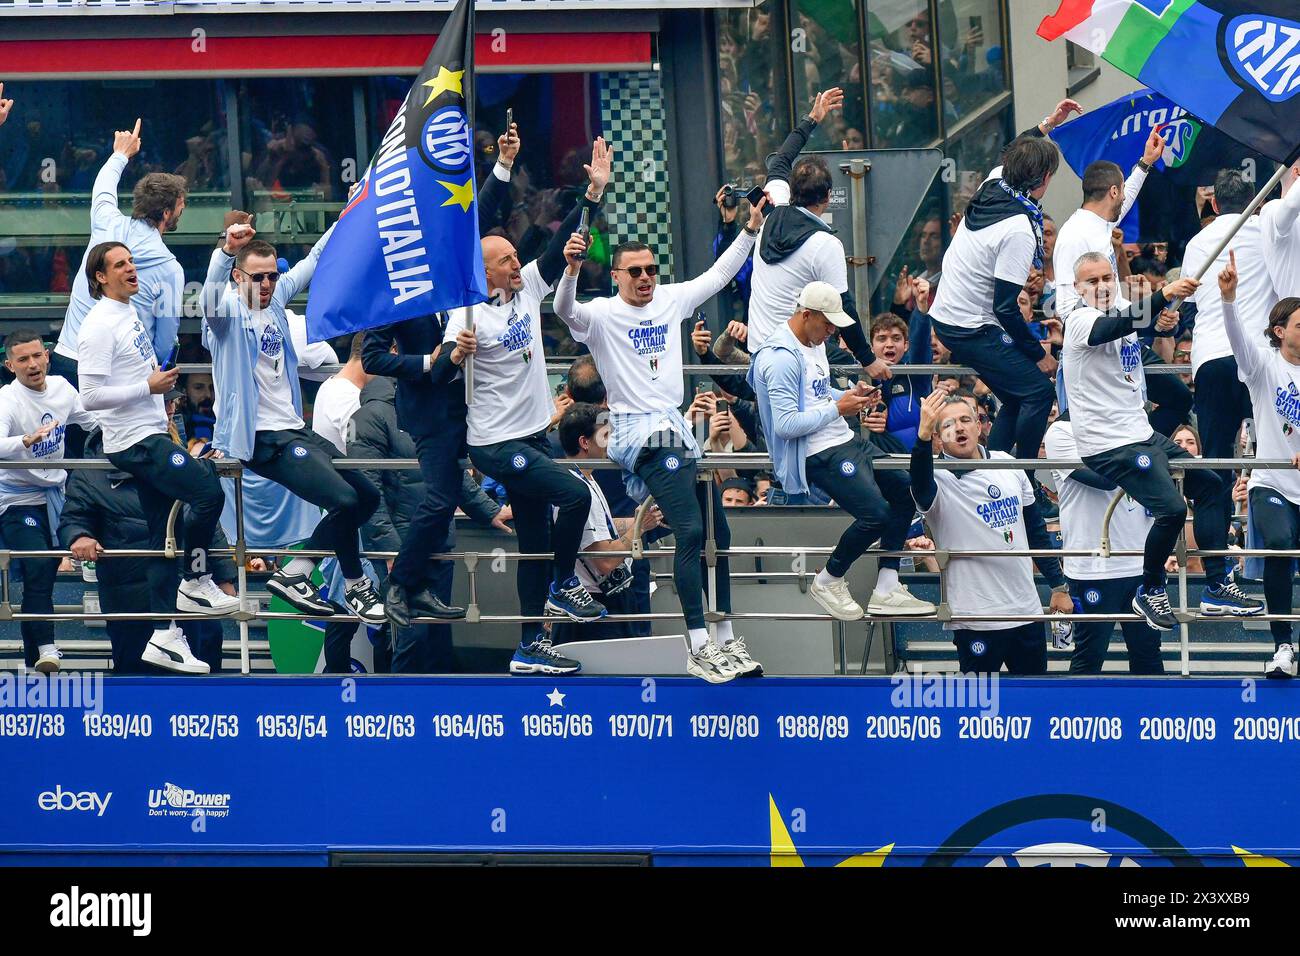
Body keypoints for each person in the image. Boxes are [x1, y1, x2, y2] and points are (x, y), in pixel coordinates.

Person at [552, 200, 767, 684]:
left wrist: (751, 230)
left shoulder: (670, 299)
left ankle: (726, 637)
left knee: (719, 535)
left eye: (650, 269)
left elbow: (718, 275)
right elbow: (564, 309)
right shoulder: (602, 314)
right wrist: (571, 269)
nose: (646, 278)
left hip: (675, 429)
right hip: (638, 432)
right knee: (689, 532)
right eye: (635, 271)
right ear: (617, 277)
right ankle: (699, 645)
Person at [439, 138, 612, 677]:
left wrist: (592, 195)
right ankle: (564, 584)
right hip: (495, 444)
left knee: (535, 543)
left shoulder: (528, 288)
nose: (518, 263)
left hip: (533, 433)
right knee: (574, 494)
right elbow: (442, 363)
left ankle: (529, 645)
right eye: (506, 260)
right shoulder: (468, 312)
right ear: (485, 272)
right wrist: (454, 353)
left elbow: (559, 244)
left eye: (516, 256)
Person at [1061, 251, 1262, 631]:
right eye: (1092, 281)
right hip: (1107, 444)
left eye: (1107, 277)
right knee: (1171, 510)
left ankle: (1217, 584)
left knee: (1210, 484)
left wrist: (1165, 316)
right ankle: (1150, 589)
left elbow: (1140, 322)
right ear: (1077, 288)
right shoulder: (1079, 320)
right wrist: (1164, 294)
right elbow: (1111, 327)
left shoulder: (1122, 312)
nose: (1102, 286)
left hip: (1140, 433)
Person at [203, 222, 385, 625]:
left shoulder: (275, 302)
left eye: (272, 276)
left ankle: (302, 571)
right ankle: (348, 581)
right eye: (257, 277)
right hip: (260, 437)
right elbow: (209, 298)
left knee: (367, 495)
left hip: (293, 428)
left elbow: (315, 259)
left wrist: (350, 211)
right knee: (343, 500)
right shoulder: (227, 314)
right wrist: (225, 250)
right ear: (238, 277)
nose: (267, 284)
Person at [77, 241, 237, 674]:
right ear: (100, 277)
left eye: (131, 261)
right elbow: (89, 396)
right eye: (120, 264)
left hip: (151, 430)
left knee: (162, 541)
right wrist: (146, 388)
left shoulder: (127, 312)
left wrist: (157, 395)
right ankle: (197, 580)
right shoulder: (98, 325)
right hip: (136, 442)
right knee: (208, 491)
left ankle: (164, 634)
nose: (131, 268)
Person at [750, 281, 935, 620]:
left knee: (906, 490)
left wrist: (849, 394)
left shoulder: (814, 341)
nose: (832, 331)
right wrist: (839, 408)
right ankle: (828, 578)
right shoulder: (780, 358)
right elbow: (785, 425)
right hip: (817, 452)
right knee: (876, 515)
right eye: (828, 323)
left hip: (843, 440)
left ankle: (887, 586)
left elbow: (816, 394)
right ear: (806, 315)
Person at [929, 99, 1081, 460]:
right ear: (1044, 180)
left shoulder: (995, 183)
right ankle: (1023, 477)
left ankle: (994, 470)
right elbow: (1005, 308)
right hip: (969, 327)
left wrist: (1048, 124)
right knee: (1039, 393)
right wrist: (1037, 354)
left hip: (952, 315)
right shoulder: (1018, 230)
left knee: (1016, 397)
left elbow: (1016, 148)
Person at [349, 373, 507, 673]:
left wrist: (489, 510)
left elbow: (450, 470)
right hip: (403, 548)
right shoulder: (371, 416)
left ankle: (431, 701)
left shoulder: (424, 408)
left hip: (437, 540)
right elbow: (368, 493)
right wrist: (391, 552)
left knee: (436, 638)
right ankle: (400, 701)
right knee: (412, 638)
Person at [910, 390, 1069, 672]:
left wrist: (1058, 586)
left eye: (965, 420)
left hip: (1025, 612)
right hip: (974, 618)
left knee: (1033, 695)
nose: (959, 428)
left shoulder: (1007, 463)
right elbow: (920, 486)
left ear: (979, 425)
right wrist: (921, 439)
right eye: (947, 425)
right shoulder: (936, 477)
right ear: (938, 437)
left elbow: (1035, 531)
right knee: (980, 699)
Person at [743, 88, 892, 382]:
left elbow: (780, 161)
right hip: (795, 357)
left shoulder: (770, 211)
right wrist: (868, 359)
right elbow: (843, 306)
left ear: (791, 190)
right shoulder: (825, 245)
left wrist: (811, 119)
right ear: (828, 197)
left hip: (759, 353)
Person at [1051, 128, 1191, 438]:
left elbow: (1116, 303)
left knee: (1179, 398)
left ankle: (1140, 448)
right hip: (1093, 353)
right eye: (1122, 190)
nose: (1125, 196)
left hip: (1124, 340)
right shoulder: (1076, 236)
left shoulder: (1100, 223)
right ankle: (1130, 452)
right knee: (1084, 436)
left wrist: (1145, 163)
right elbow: (1066, 307)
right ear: (1113, 191)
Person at [1180, 168, 1278, 559]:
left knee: (1216, 465)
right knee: (1275, 459)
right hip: (1260, 360)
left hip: (1212, 359)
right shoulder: (1268, 233)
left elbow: (1188, 303)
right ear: (1254, 202)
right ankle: (1279, 558)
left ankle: (1216, 573)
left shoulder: (1197, 242)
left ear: (1215, 204)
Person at [56, 120, 186, 385]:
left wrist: (120, 154)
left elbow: (103, 186)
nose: (182, 210)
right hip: (118, 376)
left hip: (68, 359)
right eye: (180, 206)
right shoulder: (170, 268)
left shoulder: (106, 221)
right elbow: (164, 342)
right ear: (166, 213)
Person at [1219, 255, 1300, 678]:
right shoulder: (1263, 366)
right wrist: (1228, 300)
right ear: (1280, 330)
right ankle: (1283, 644)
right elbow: (1238, 341)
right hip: (1272, 482)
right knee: (1280, 544)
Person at [0, 330, 97, 672]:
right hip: (17, 499)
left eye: (37, 356)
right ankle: (46, 647)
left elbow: (92, 421)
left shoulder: (62, 388)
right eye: (23, 359)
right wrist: (25, 441)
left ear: (47, 356)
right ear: (10, 365)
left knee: (45, 572)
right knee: (38, 564)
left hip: (57, 496)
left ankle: (37, 658)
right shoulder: (7, 399)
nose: (32, 364)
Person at [1043, 413, 1161, 674]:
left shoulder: (1131, 422)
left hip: (1141, 563)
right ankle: (1079, 705)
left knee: (1148, 654)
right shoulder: (1061, 431)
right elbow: (1104, 480)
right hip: (1093, 568)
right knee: (1089, 656)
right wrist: (1141, 457)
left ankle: (1152, 703)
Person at [549, 403, 663, 648]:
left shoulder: (583, 479)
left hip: (602, 602)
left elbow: (602, 528)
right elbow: (605, 561)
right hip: (594, 609)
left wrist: (639, 520)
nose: (611, 443)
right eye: (605, 435)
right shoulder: (578, 489)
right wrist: (639, 529)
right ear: (584, 442)